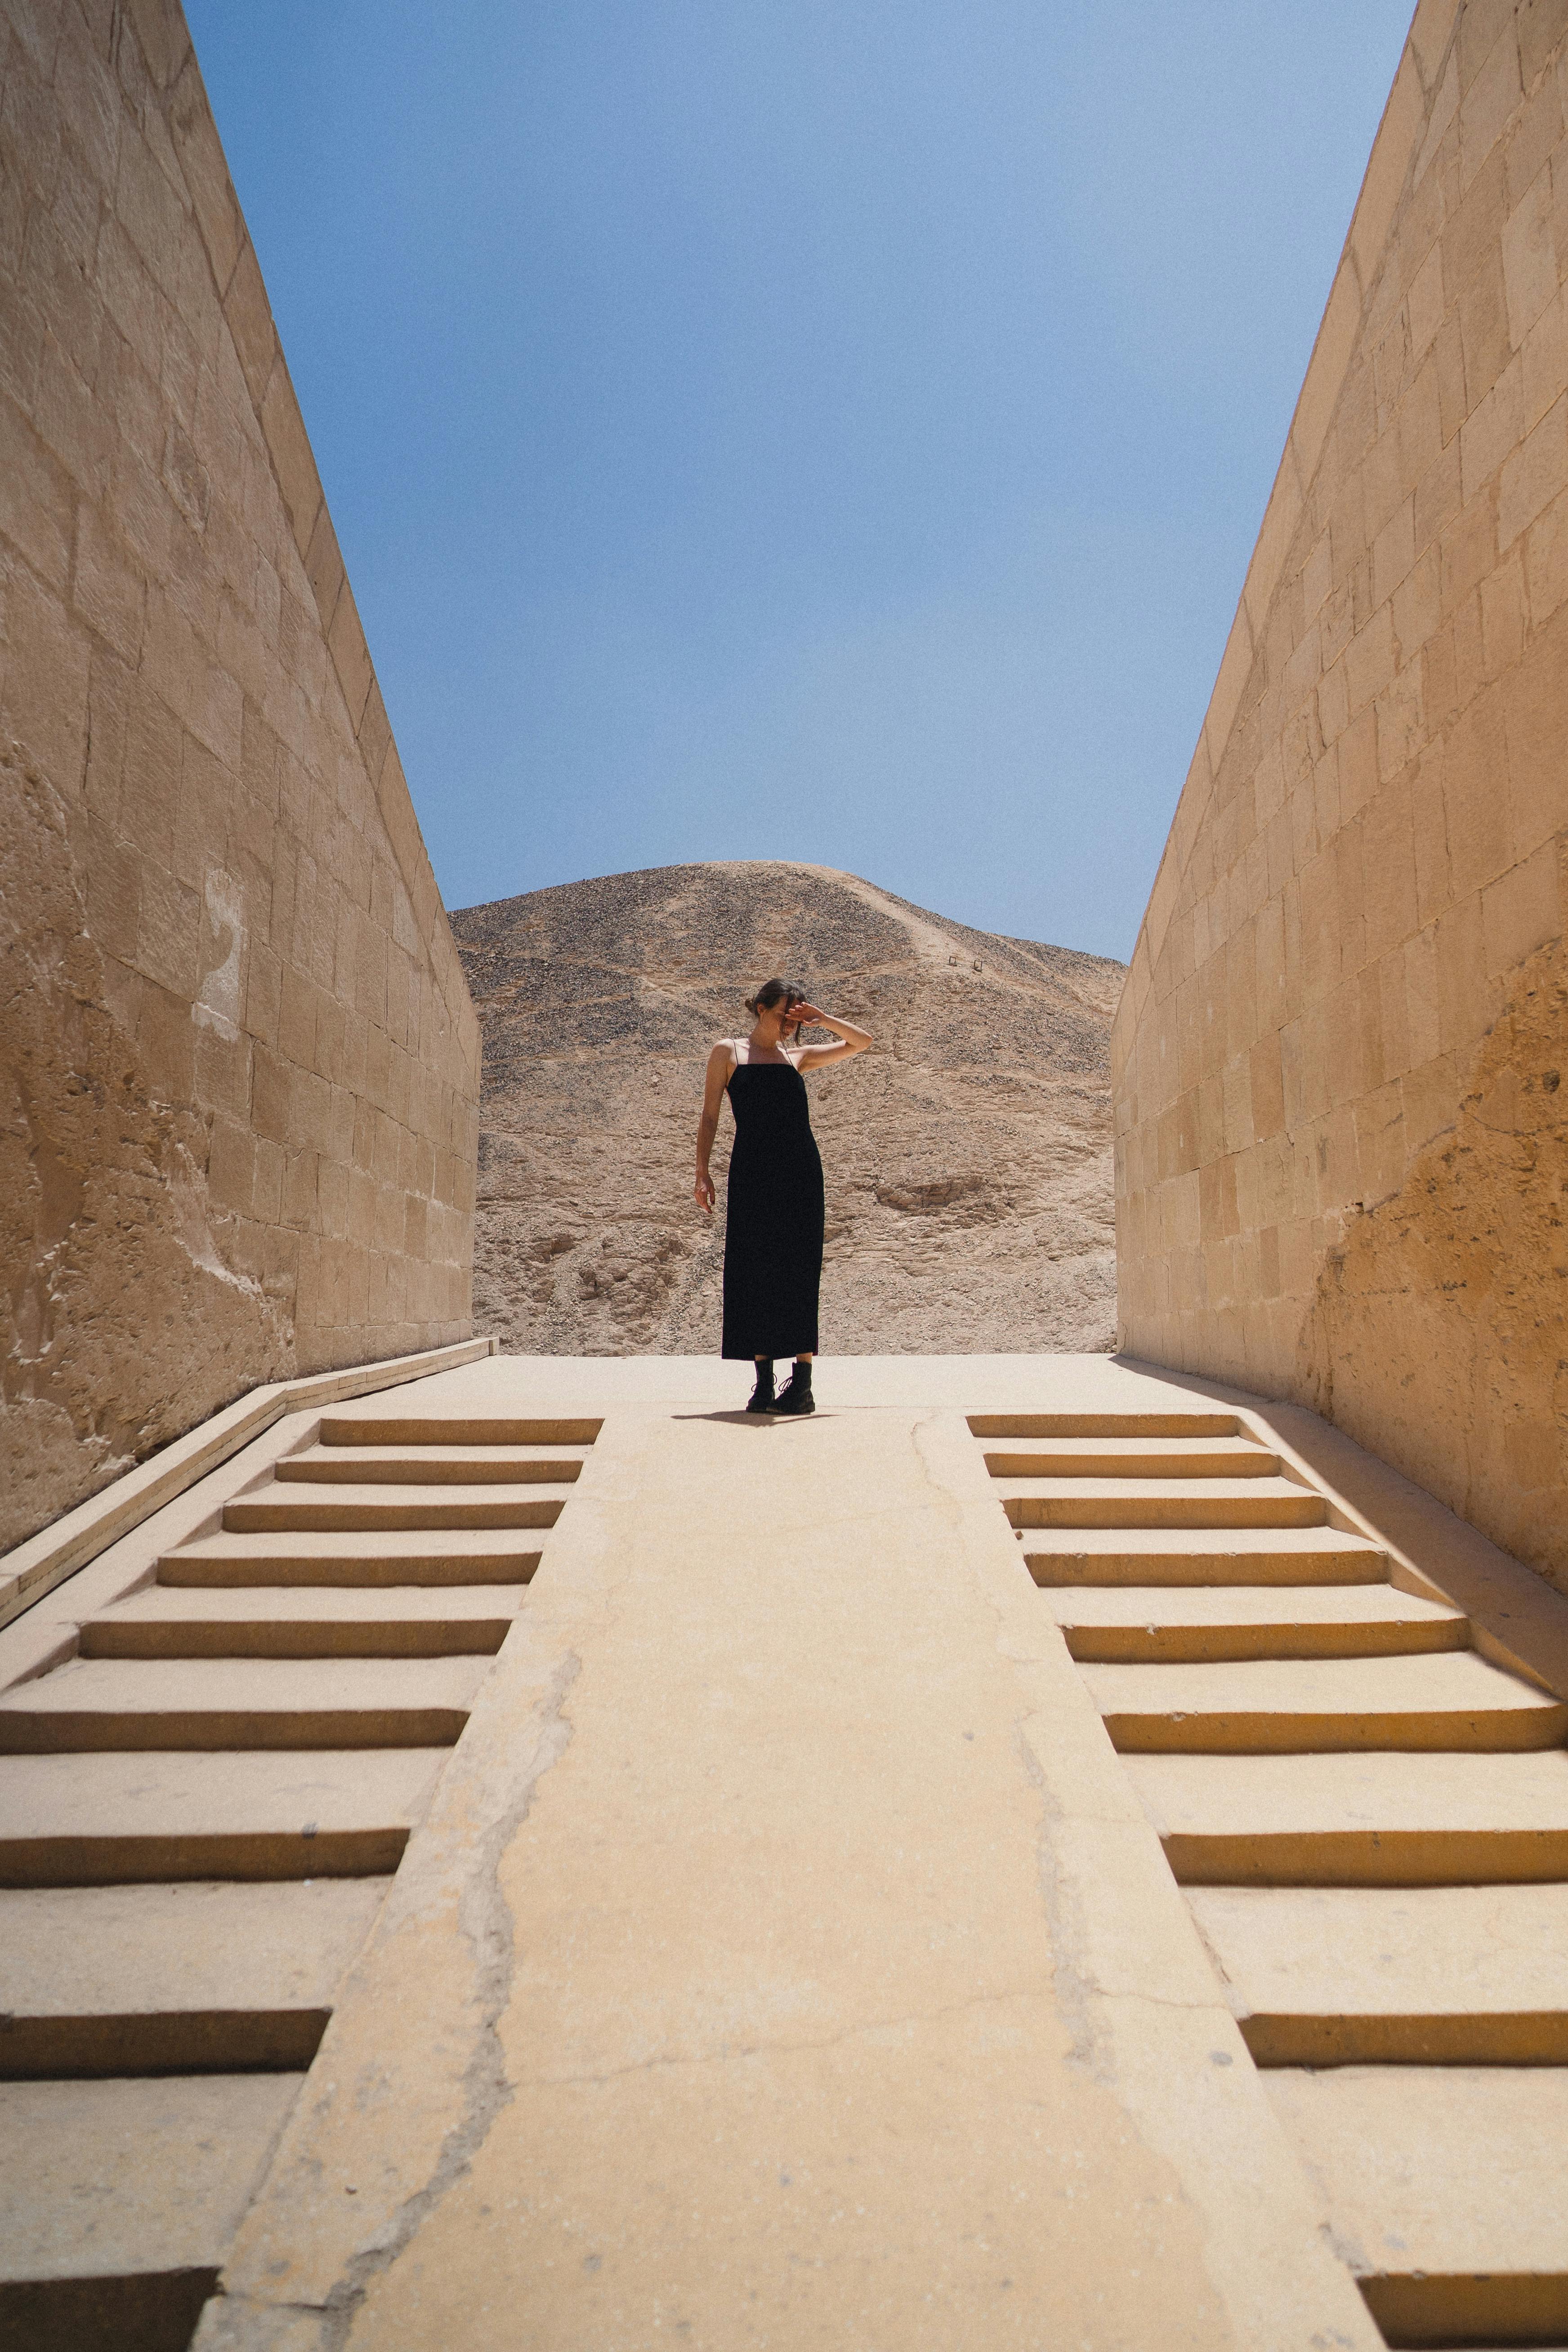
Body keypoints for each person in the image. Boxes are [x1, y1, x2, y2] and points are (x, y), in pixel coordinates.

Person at [694, 980, 872, 1414]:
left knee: (797, 1270)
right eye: (783, 1013)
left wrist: (821, 1018)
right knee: (754, 1270)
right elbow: (710, 1115)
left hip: (800, 1175)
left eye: (796, 1015)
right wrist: (701, 1171)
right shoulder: (728, 1052)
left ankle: (803, 1387)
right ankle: (763, 1385)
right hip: (752, 1173)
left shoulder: (798, 1057)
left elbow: (863, 1042)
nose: (790, 1023)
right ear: (759, 1009)